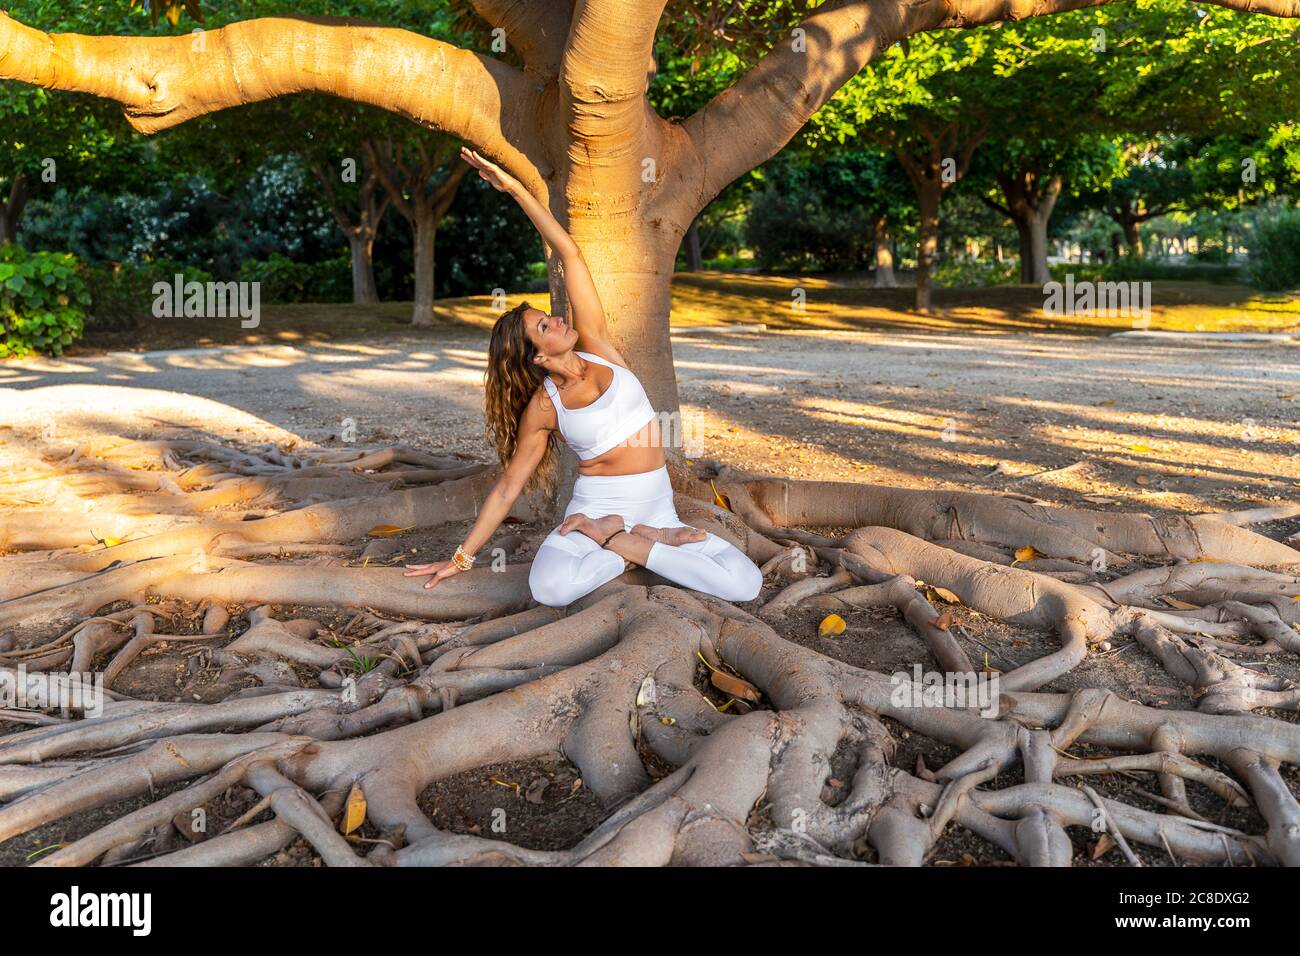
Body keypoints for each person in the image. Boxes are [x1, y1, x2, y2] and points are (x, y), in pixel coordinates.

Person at [404, 147, 765, 608]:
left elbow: (569, 252)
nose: (556, 319)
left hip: (657, 511)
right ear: (535, 358)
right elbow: (508, 486)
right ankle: (626, 542)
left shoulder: (600, 348)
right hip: (592, 512)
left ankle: (632, 542)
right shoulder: (545, 407)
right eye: (543, 327)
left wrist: (514, 189)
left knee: (746, 584)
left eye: (547, 315)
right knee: (549, 588)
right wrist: (460, 559)